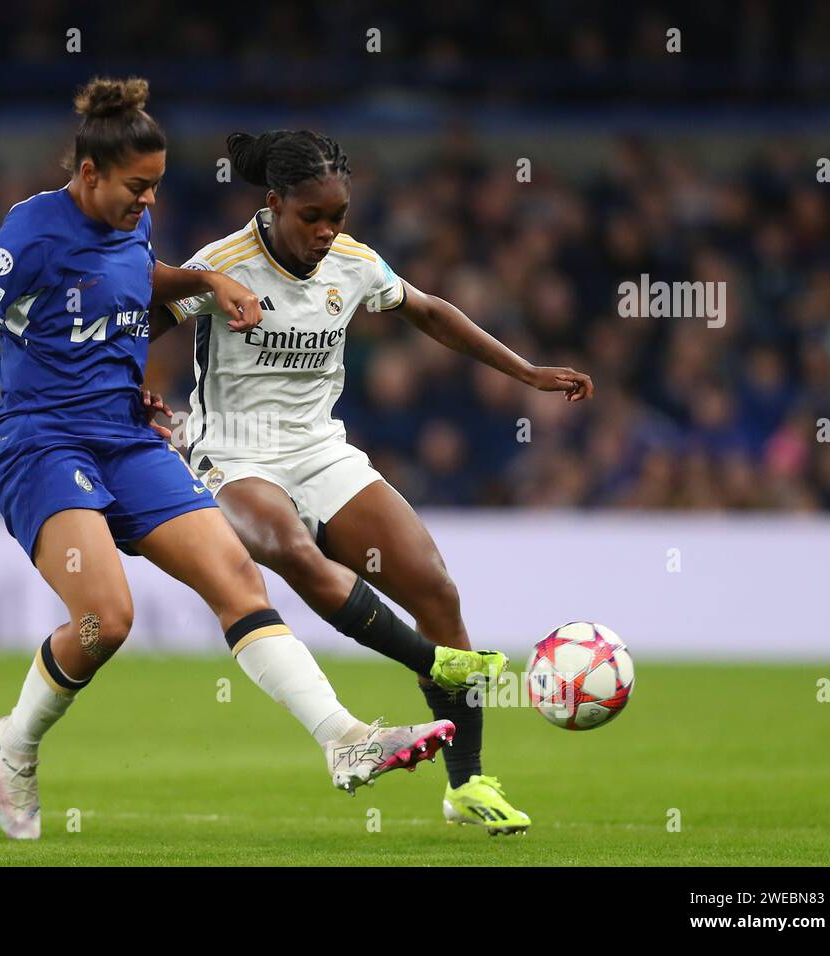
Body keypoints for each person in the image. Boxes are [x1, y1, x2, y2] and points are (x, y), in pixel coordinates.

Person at [0, 82, 459, 841]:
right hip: (44, 442)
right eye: (137, 187)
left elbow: (141, 278)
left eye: (157, 187)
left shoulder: (131, 224)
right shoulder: (32, 230)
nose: (147, 201)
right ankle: (16, 741)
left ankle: (344, 738)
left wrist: (204, 279)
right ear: (90, 174)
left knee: (238, 577)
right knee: (108, 620)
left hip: (129, 438)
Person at [148, 129, 595, 835]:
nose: (327, 232)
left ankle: (467, 784)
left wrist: (527, 371)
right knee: (293, 551)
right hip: (233, 455)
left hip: (323, 452)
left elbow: (429, 311)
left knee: (437, 588)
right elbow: (137, 324)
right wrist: (128, 397)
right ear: (273, 203)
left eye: (339, 216)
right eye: (313, 218)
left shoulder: (352, 264)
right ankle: (436, 666)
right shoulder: (220, 265)